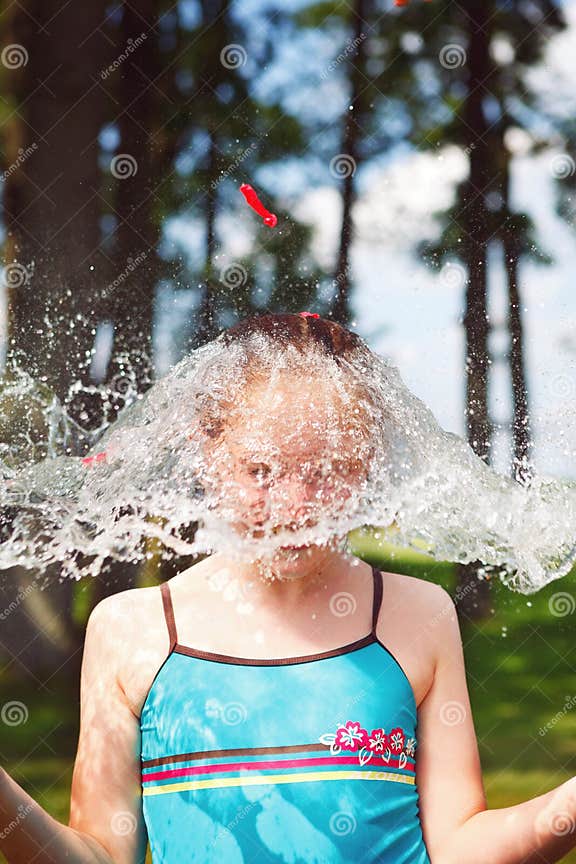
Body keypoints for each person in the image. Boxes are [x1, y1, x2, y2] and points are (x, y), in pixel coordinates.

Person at [1, 312, 575, 864]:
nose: (295, 507)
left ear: (368, 461)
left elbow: (458, 849)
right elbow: (99, 856)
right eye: (261, 471)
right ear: (207, 453)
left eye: (327, 471)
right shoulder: (133, 630)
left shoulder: (417, 616)